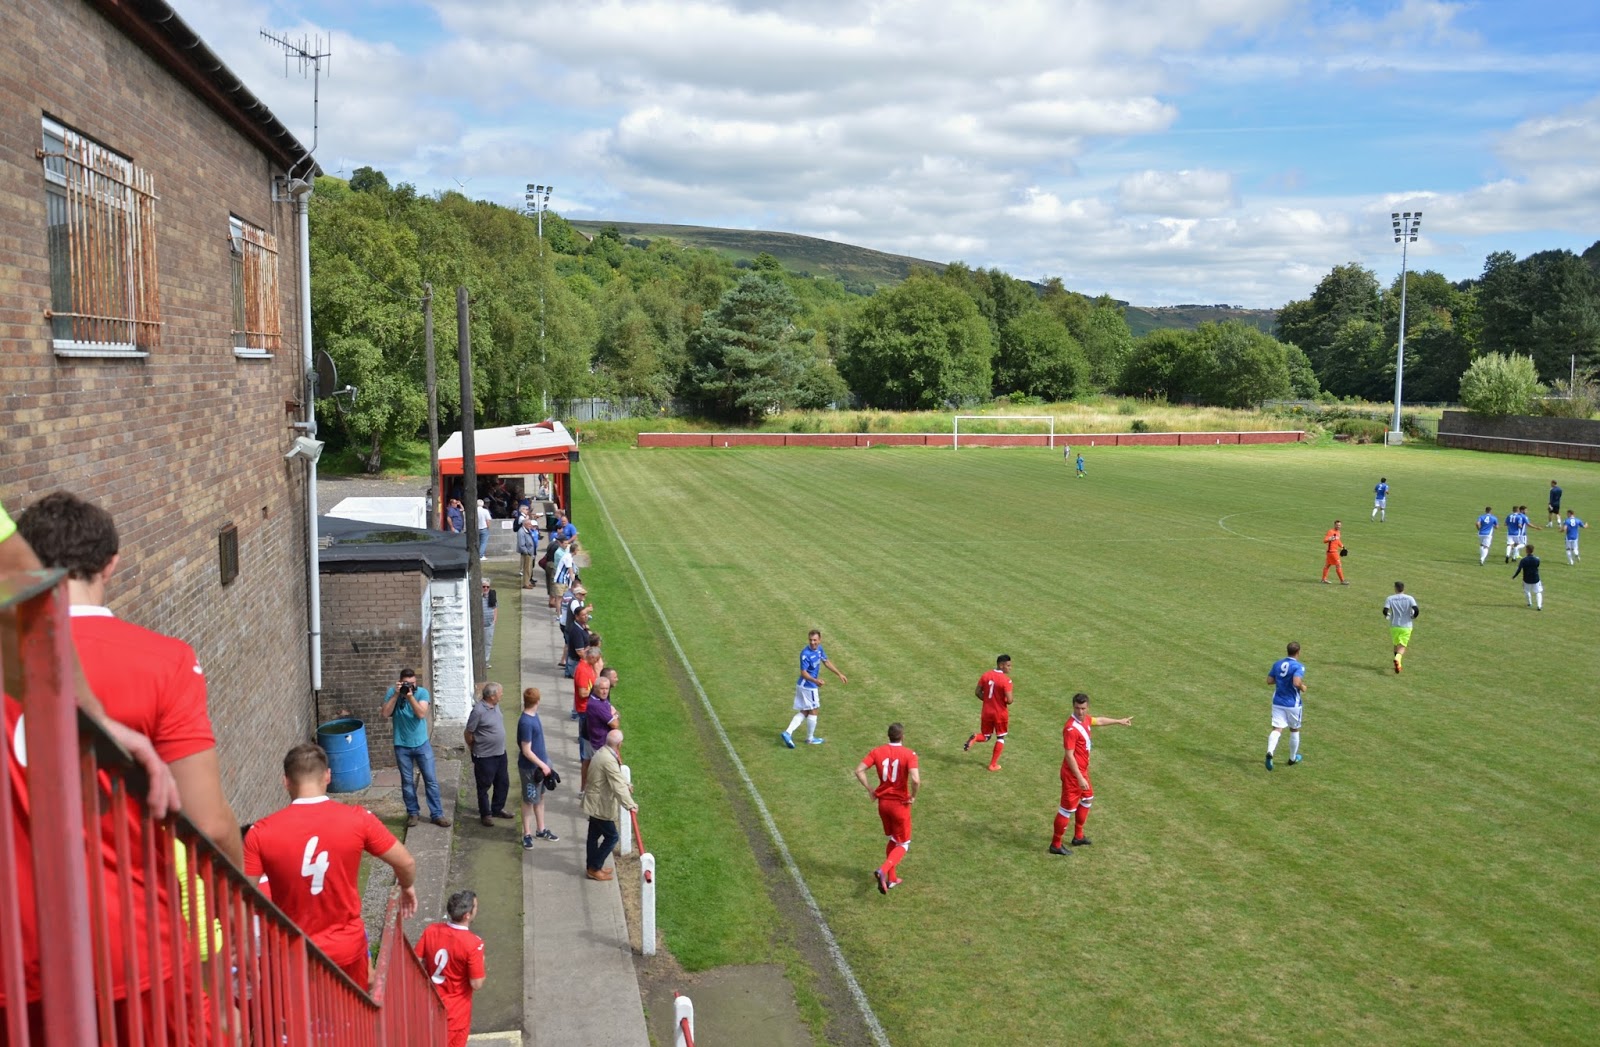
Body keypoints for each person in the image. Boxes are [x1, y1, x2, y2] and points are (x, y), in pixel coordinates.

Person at [15, 491, 242, 867]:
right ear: (110, 565)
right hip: (128, 907)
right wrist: (247, 888)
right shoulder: (167, 661)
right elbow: (209, 823)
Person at [243, 743, 419, 989]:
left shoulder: (259, 833)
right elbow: (406, 862)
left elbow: (243, 897)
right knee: (352, 1016)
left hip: (293, 953)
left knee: (304, 1020)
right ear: (328, 775)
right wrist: (406, 886)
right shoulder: (359, 819)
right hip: (346, 949)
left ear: (285, 782)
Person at [1049, 693, 1132, 853]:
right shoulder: (1071, 728)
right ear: (1073, 707)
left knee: (1087, 798)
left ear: (1087, 707)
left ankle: (1078, 836)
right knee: (1066, 809)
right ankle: (1056, 844)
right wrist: (1079, 777)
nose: (1081, 712)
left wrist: (1118, 721)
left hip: (1081, 773)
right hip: (1073, 775)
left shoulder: (1085, 719)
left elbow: (1098, 720)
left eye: (1083, 708)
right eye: (1078, 708)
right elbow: (1069, 755)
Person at [414, 890, 487, 1047]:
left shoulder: (431, 930)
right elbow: (477, 984)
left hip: (430, 1004)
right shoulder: (473, 944)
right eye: (475, 907)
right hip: (455, 1013)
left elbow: (415, 961)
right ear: (467, 915)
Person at [855, 722, 920, 894]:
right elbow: (915, 780)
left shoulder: (877, 751)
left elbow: (859, 770)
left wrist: (870, 790)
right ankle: (883, 871)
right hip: (900, 805)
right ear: (902, 736)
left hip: (883, 805)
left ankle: (892, 879)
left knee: (893, 839)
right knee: (903, 844)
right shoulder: (909, 754)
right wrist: (913, 796)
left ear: (888, 736)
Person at [382, 668, 451, 827]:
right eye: (407, 684)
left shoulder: (422, 693)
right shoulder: (393, 693)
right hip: (401, 745)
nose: (410, 686)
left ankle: (437, 814)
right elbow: (385, 714)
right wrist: (396, 695)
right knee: (407, 781)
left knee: (431, 780)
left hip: (421, 744)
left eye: (413, 683)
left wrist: (410, 696)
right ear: (400, 682)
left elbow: (421, 714)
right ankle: (413, 813)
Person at [582, 729, 636, 881]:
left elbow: (616, 777)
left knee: (593, 836)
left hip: (594, 802)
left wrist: (626, 783)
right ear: (620, 744)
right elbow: (617, 784)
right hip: (599, 805)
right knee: (612, 837)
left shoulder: (603, 753)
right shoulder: (608, 759)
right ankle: (595, 868)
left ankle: (593, 866)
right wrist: (630, 805)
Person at [780, 629, 847, 748]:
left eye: (815, 640)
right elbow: (803, 673)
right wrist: (816, 681)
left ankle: (788, 733)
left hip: (806, 685)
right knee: (814, 709)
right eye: (810, 640)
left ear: (820, 640)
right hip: (808, 686)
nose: (812, 642)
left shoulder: (819, 649)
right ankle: (810, 739)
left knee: (805, 711)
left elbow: (826, 662)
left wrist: (839, 674)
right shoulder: (805, 654)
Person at [464, 682, 513, 827]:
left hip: (500, 753)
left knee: (503, 782)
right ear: (492, 696)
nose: (502, 695)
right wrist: (473, 747)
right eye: (500, 693)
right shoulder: (478, 711)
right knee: (484, 785)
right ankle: (485, 814)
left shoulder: (495, 705)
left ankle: (497, 808)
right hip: (485, 756)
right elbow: (468, 732)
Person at [517, 688, 557, 848]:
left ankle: (541, 829)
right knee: (528, 800)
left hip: (540, 766)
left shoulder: (534, 716)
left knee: (540, 797)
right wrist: (543, 765)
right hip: (530, 769)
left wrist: (545, 764)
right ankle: (526, 833)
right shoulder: (526, 722)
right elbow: (526, 750)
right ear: (538, 701)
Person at [963, 654, 1013, 772]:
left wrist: (988, 701)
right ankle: (993, 764)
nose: (1010, 668)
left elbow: (977, 692)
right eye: (1008, 665)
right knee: (1000, 737)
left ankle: (975, 737)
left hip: (986, 711)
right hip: (1000, 713)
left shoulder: (986, 675)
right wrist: (1002, 701)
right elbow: (1010, 700)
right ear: (1001, 665)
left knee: (986, 736)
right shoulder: (1006, 680)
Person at [1265, 642, 1306, 771]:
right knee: (1294, 729)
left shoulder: (1277, 664)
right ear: (1298, 652)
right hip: (1292, 703)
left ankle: (1270, 751)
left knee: (1277, 728)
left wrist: (1282, 680)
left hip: (1278, 701)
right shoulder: (1298, 666)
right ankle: (1292, 758)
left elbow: (1269, 680)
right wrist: (1302, 687)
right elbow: (1296, 682)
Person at [1382, 582, 1420, 674]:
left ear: (1395, 588)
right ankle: (1397, 659)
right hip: (1406, 626)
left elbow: (1385, 610)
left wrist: (1388, 615)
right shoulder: (1409, 598)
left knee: (1396, 645)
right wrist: (1413, 616)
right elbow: (1416, 609)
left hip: (1394, 626)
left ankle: (1398, 665)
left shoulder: (1390, 598)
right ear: (1403, 588)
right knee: (1402, 646)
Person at [1513, 543, 1543, 610]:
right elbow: (1537, 565)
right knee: (1538, 592)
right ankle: (1539, 606)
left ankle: (1529, 603)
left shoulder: (1524, 560)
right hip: (1535, 578)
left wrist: (1514, 576)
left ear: (1527, 550)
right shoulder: (1537, 559)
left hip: (1526, 578)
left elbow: (1519, 569)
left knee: (1527, 591)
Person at [517, 515, 540, 589]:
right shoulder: (521, 532)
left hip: (530, 552)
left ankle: (528, 582)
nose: (531, 526)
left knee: (529, 569)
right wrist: (527, 552)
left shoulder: (527, 530)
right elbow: (521, 545)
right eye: (529, 524)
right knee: (527, 569)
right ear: (525, 524)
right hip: (527, 553)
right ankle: (525, 583)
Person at [1321, 519, 1347, 584]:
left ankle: (1323, 579)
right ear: (1334, 525)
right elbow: (1324, 540)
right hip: (1332, 552)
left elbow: (1338, 541)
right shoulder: (1330, 531)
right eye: (1337, 525)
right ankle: (1342, 581)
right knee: (1339, 565)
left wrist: (1342, 546)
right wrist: (1330, 539)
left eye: (1339, 525)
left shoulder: (1338, 532)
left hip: (1332, 552)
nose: (1338, 526)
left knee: (1327, 565)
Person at [481, 580, 498, 666]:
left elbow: (495, 608)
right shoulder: (477, 597)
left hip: (489, 624)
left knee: (488, 643)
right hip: (479, 625)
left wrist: (494, 620)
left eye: (487, 587)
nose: (486, 588)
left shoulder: (492, 596)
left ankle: (486, 661)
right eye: (484, 586)